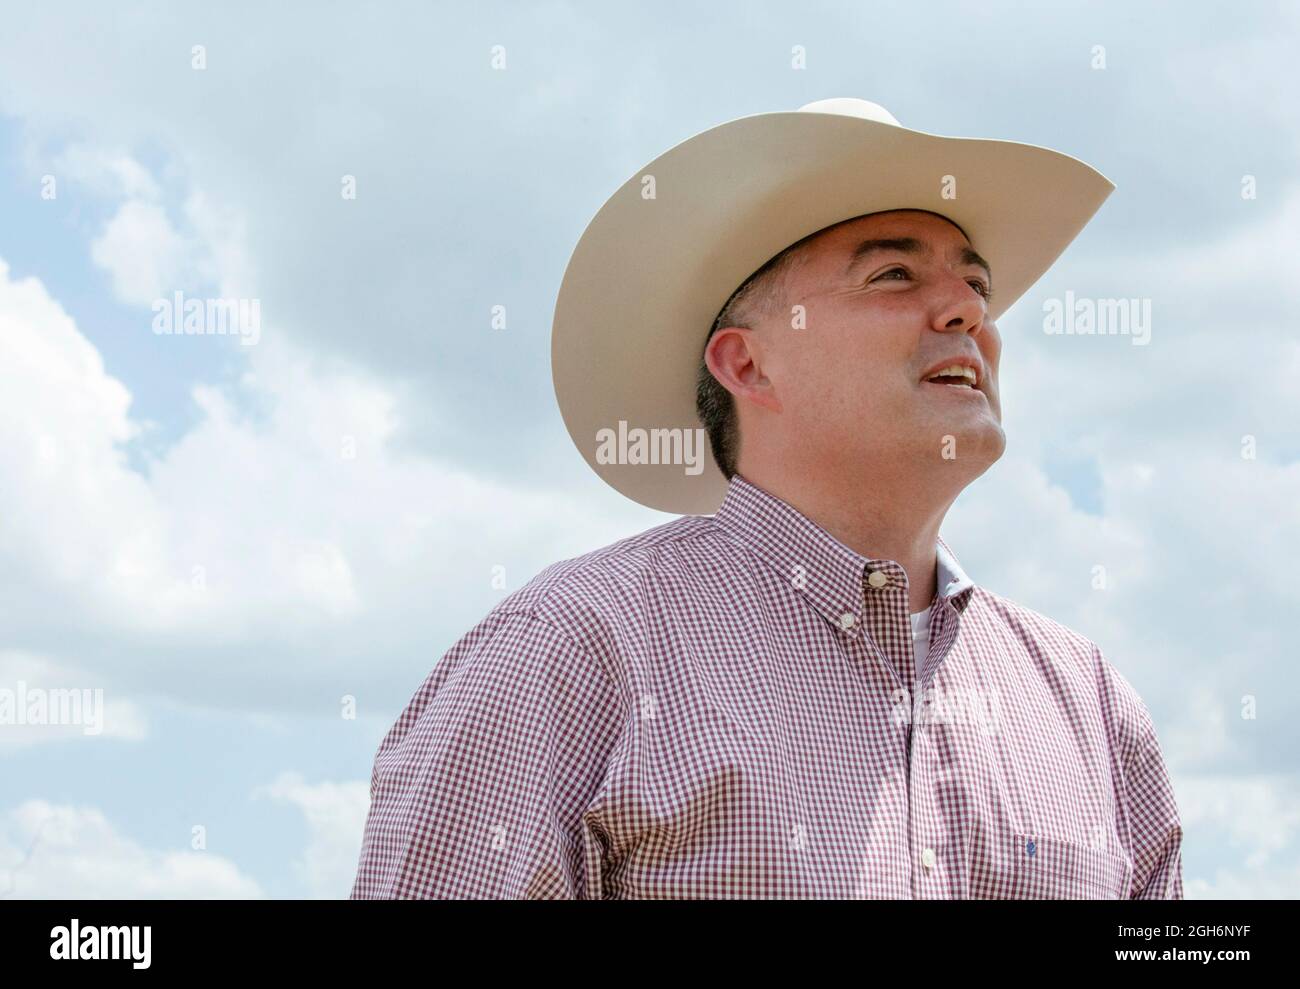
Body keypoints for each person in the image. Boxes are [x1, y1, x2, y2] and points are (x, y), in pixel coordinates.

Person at [350, 98, 1183, 899]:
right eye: (893, 274)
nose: (968, 309)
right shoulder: (570, 657)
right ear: (747, 365)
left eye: (978, 287)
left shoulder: (1092, 705)